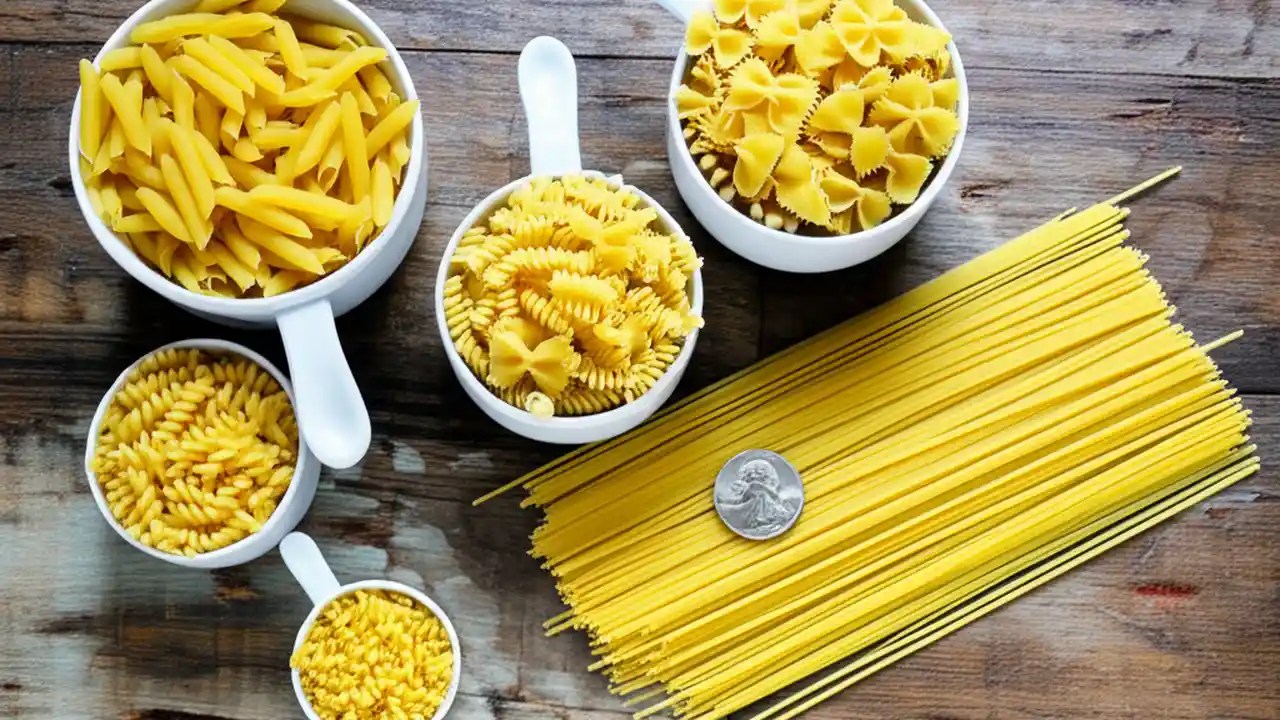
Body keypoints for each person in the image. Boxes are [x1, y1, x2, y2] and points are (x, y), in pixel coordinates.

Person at [718, 458, 796, 533]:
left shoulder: (761, 490)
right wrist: (724, 500)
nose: (753, 476)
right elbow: (739, 501)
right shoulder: (750, 492)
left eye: (757, 473)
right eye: (750, 475)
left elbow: (760, 489)